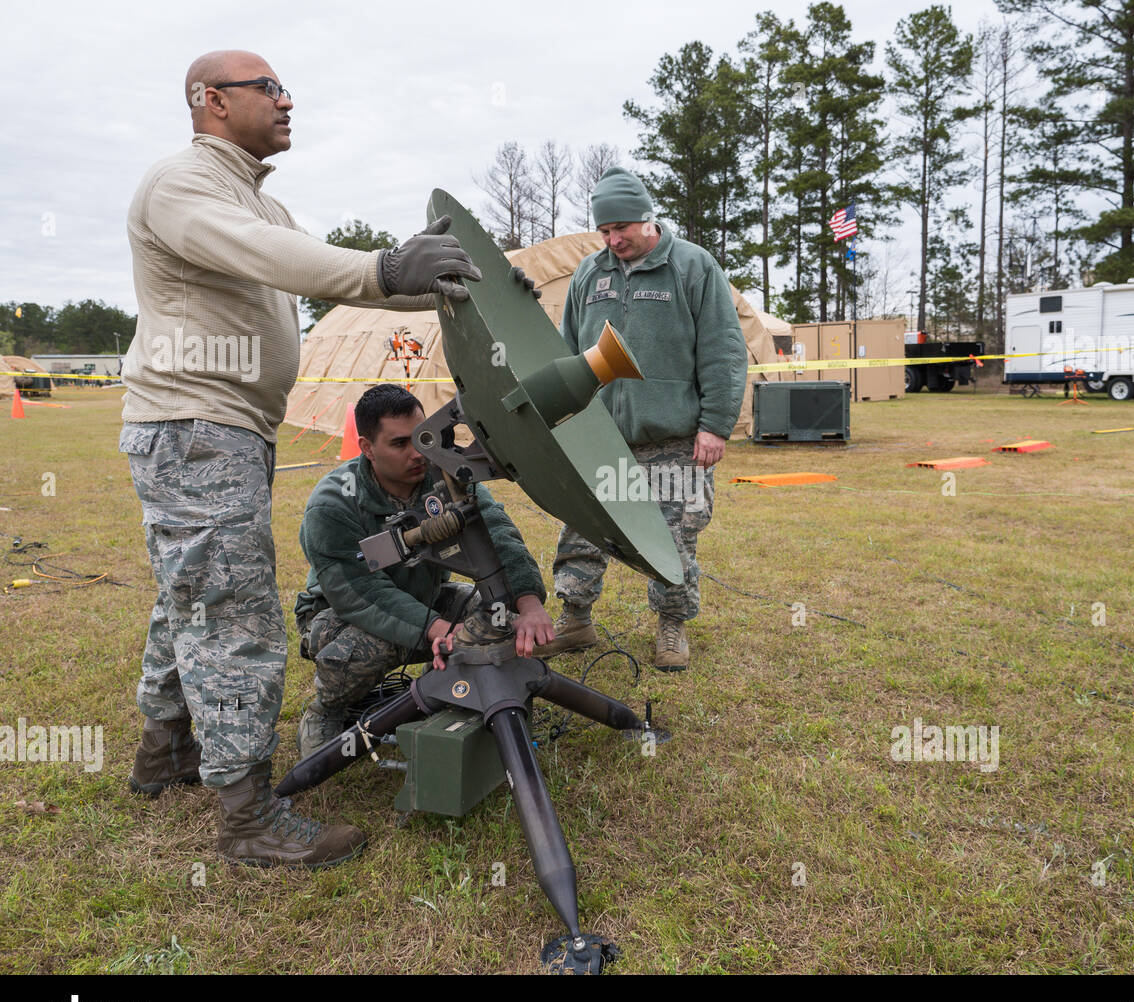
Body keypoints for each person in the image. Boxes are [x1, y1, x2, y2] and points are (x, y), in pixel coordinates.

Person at [122, 50, 483, 870]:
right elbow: (277, 259)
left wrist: (442, 282)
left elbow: (344, 280)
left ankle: (166, 749)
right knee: (231, 610)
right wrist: (385, 264)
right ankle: (247, 815)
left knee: (190, 590)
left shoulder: (259, 202)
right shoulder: (183, 186)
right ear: (211, 100)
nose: (289, 102)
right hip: (195, 423)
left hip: (224, 428)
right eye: (270, 89)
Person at [538, 167, 746, 671]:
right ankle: (575, 616)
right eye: (605, 232)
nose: (614, 240)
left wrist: (715, 425)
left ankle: (671, 624)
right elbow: (569, 348)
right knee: (583, 526)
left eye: (622, 230)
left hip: (672, 435)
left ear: (647, 219)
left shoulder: (693, 267)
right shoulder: (590, 273)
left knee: (675, 534)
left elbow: (723, 348)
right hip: (599, 431)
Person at [294, 384, 553, 755]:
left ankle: (453, 694)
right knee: (374, 644)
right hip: (338, 615)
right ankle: (326, 710)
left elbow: (496, 530)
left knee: (498, 614)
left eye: (419, 438)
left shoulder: (444, 475)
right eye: (399, 444)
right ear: (367, 447)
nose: (416, 453)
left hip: (426, 598)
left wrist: (528, 603)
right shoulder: (333, 503)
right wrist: (443, 631)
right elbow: (362, 594)